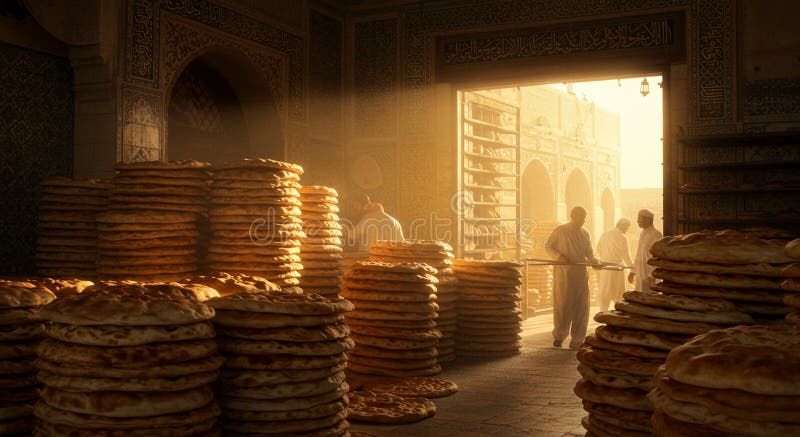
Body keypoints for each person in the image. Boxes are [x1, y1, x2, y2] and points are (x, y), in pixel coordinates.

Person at [545, 206, 600, 350]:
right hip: (565, 275)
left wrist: (594, 262)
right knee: (563, 306)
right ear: (572, 216)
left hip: (581, 275)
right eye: (581, 217)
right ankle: (559, 335)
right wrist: (559, 256)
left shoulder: (585, 233)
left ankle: (577, 340)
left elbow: (589, 253)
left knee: (581, 308)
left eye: (584, 217)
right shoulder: (561, 230)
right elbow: (548, 246)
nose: (583, 220)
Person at [596, 218, 634, 311]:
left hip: (605, 267)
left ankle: (603, 312)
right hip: (617, 268)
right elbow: (626, 255)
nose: (626, 229)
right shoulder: (622, 237)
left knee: (605, 291)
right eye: (625, 226)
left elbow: (598, 248)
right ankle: (618, 314)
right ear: (620, 225)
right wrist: (633, 268)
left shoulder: (605, 234)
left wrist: (605, 258)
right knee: (618, 293)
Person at [628, 209, 663, 292]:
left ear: (647, 219)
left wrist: (652, 275)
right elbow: (639, 254)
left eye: (639, 218)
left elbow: (657, 257)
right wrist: (633, 271)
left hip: (650, 276)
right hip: (641, 273)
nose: (637, 221)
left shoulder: (656, 234)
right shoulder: (643, 233)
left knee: (650, 299)